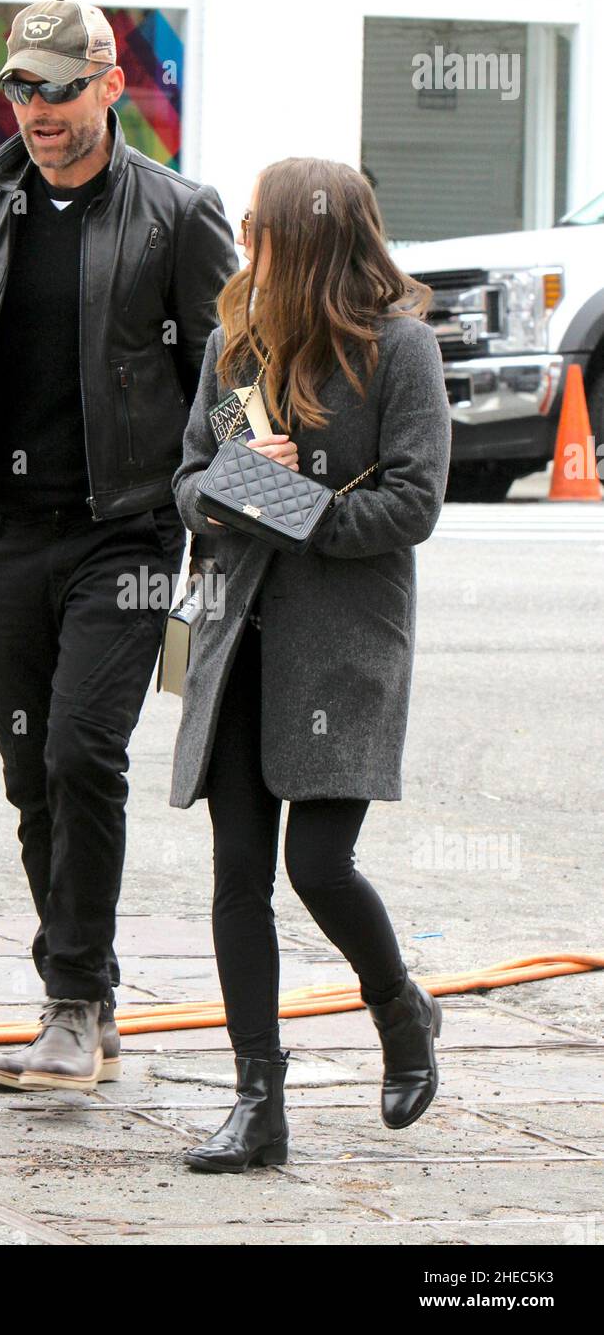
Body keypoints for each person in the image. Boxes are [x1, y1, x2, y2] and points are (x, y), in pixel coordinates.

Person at [0, 0, 238, 1091]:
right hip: (1, 536)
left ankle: (68, 998)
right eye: (22, 87)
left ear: (110, 84)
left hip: (130, 532)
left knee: (79, 753)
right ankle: (87, 989)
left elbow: (224, 376)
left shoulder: (176, 212)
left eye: (59, 88)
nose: (38, 109)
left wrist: (230, 507)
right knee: (28, 773)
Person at [169, 157, 452, 1172]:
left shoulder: (399, 352)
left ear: (315, 237)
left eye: (262, 225)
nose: (247, 239)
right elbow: (189, 482)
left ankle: (399, 1008)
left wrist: (286, 504)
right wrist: (234, 485)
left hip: (341, 645)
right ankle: (257, 1102)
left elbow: (411, 504)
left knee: (316, 865)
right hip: (236, 635)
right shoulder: (233, 346)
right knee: (238, 872)